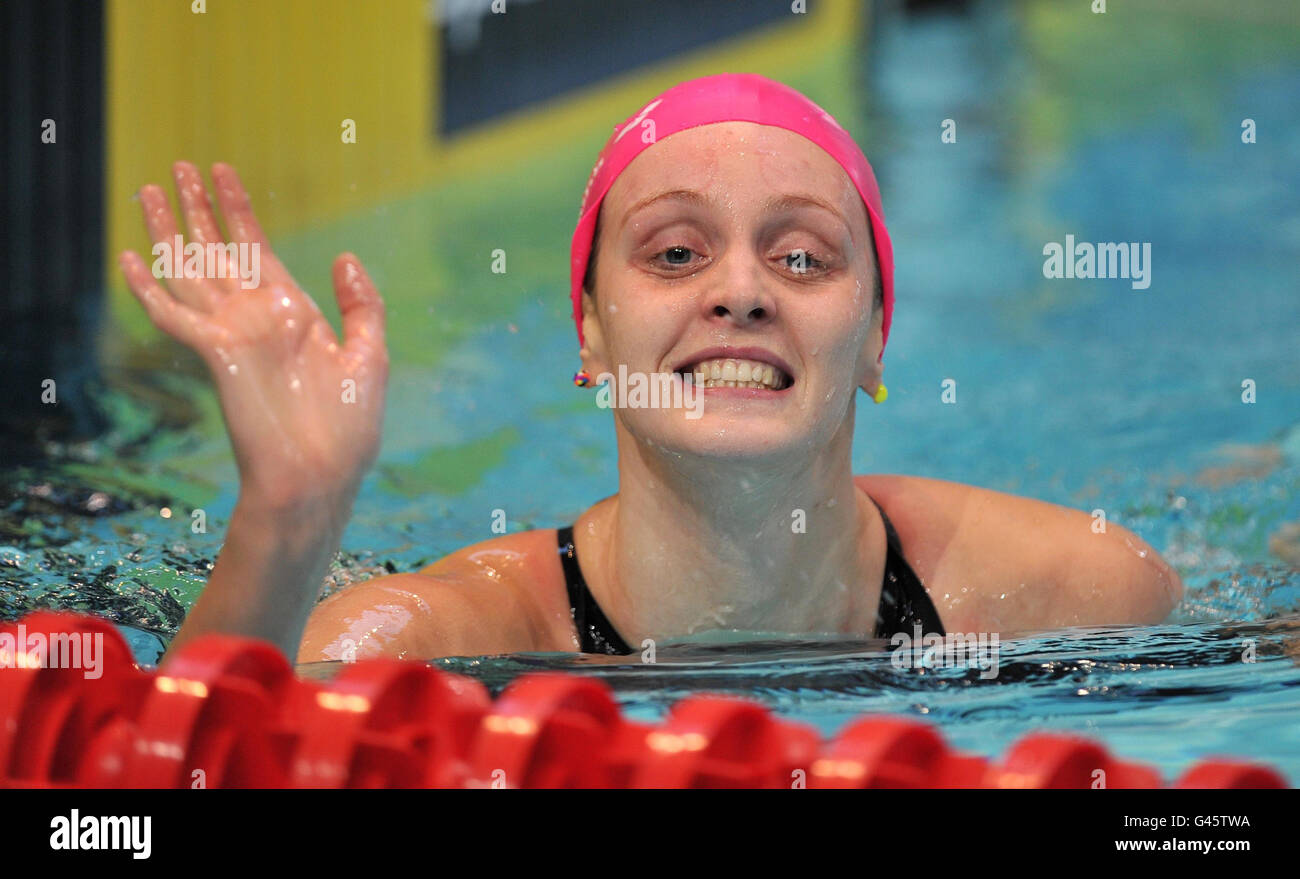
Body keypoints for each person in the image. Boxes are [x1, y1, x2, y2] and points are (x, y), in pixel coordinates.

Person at [118, 74, 1182, 663]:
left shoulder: (1072, 592)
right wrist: (291, 512)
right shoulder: (441, 640)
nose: (741, 290)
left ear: (875, 338)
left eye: (802, 256)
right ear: (588, 334)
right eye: (673, 254)